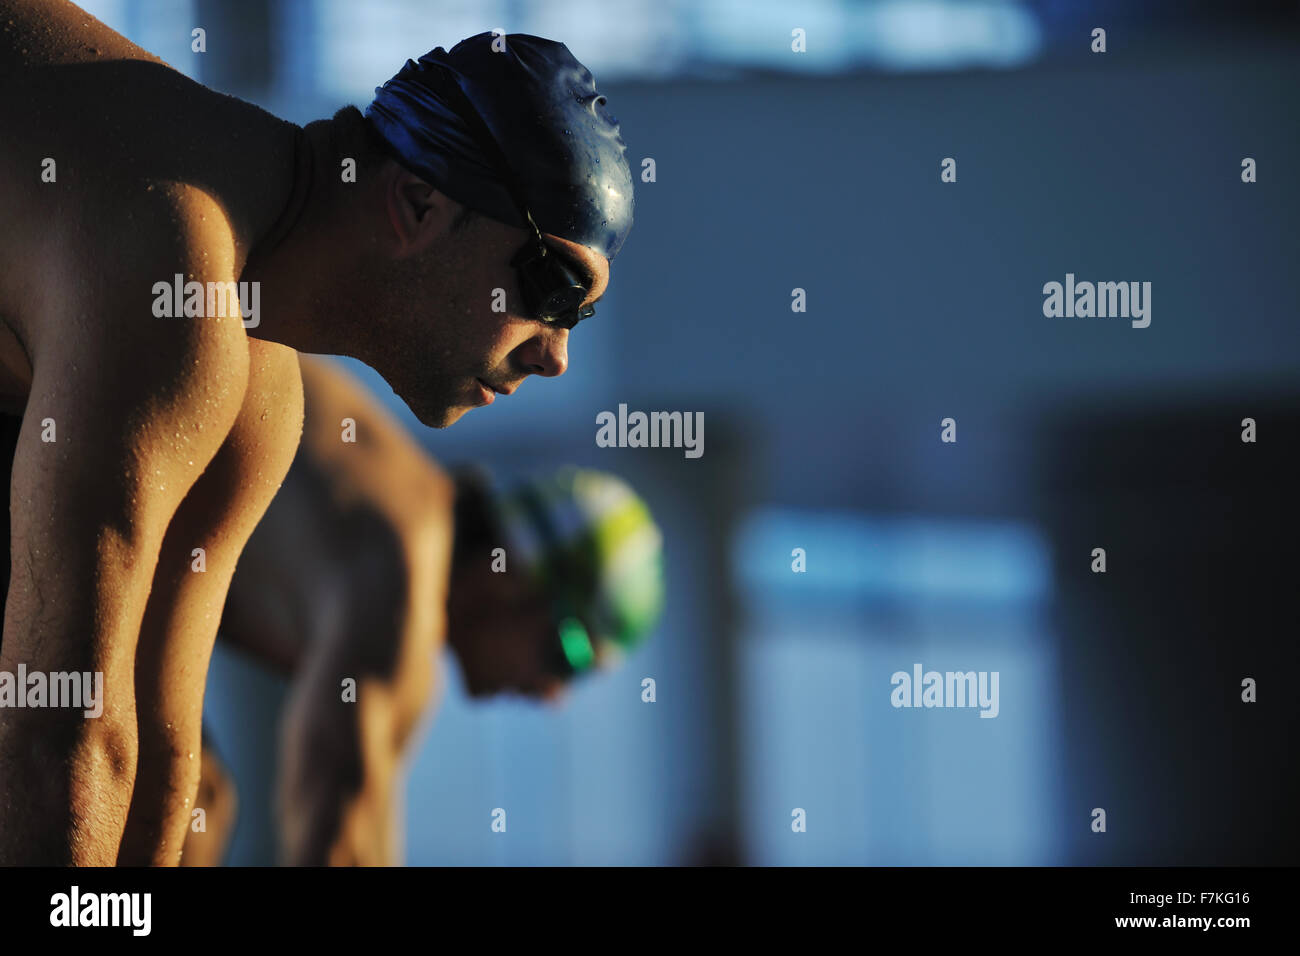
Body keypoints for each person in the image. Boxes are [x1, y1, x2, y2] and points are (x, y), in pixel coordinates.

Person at [0, 0, 633, 865]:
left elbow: (152, 758)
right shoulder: (175, 270)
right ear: (418, 202)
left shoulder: (260, 391)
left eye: (582, 319)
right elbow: (64, 739)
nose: (556, 356)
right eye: (551, 288)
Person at [182, 356, 663, 866]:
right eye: (566, 653)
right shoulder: (405, 579)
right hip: (104, 433)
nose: (552, 695)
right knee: (186, 814)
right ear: (516, 578)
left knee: (197, 804)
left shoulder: (407, 522)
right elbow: (338, 848)